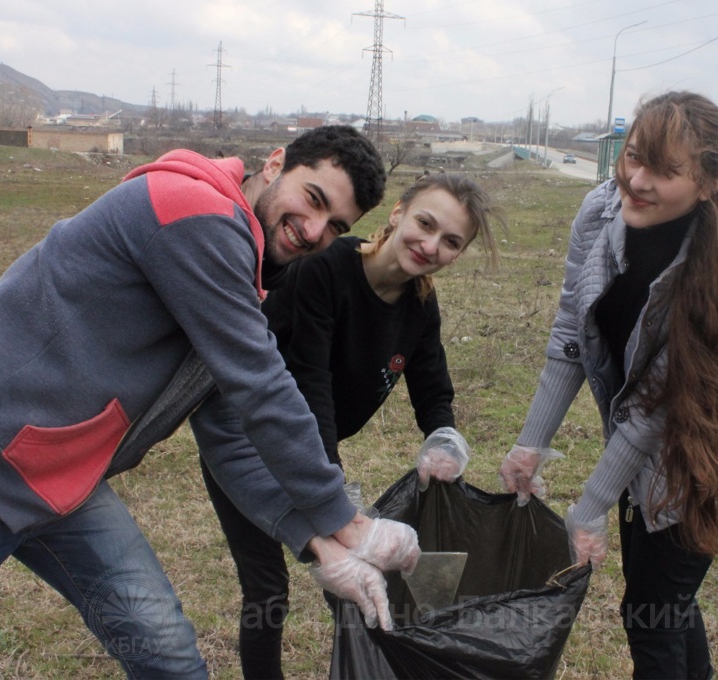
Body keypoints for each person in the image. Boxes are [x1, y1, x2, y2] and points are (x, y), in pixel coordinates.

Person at [0, 125, 423, 679]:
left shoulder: (243, 273)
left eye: (337, 227)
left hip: (57, 477)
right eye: (314, 199)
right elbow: (261, 385)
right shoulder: (195, 214)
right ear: (276, 163)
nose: (314, 231)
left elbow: (230, 433)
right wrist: (349, 523)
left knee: (167, 655)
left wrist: (320, 544)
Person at [193, 172, 505, 679]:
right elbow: (311, 382)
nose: (430, 246)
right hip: (245, 440)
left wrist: (442, 437)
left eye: (451, 242)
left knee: (356, 582)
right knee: (267, 586)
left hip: (311, 452)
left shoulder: (420, 305)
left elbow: (431, 384)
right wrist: (333, 491)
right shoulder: (326, 268)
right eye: (425, 224)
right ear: (399, 212)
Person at [499, 91, 718, 679]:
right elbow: (574, 330)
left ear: (710, 183)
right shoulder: (598, 212)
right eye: (633, 157)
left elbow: (661, 402)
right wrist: (530, 443)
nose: (637, 181)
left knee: (653, 617)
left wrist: (590, 507)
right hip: (644, 443)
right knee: (665, 608)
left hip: (706, 449)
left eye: (665, 171)